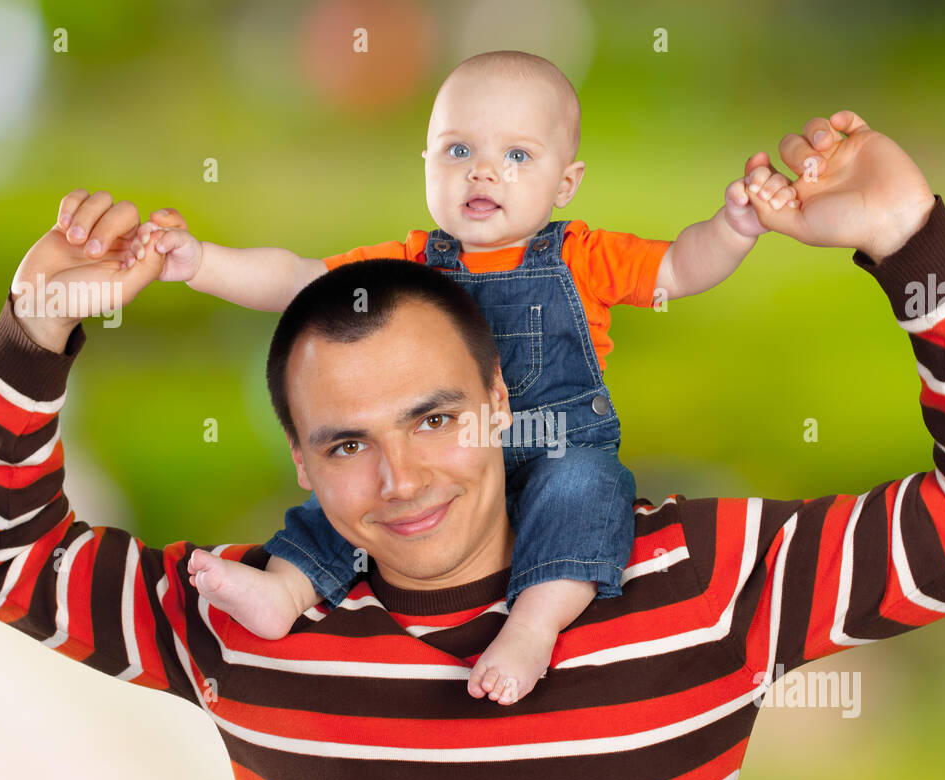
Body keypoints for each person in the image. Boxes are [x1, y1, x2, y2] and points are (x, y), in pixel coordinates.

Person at [0, 110, 945, 780]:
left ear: (499, 400)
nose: (401, 481)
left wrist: (911, 238)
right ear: (297, 460)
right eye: (346, 444)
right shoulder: (247, 610)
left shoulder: (703, 583)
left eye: (435, 418)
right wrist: (34, 330)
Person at [103, 50, 794, 706]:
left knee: (588, 499)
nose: (483, 173)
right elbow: (301, 279)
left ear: (566, 182)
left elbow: (679, 269)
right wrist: (200, 263)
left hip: (554, 444)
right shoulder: (408, 264)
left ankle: (531, 628)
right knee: (358, 488)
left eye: (516, 155)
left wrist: (733, 228)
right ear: (427, 163)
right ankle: (283, 591)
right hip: (434, 454)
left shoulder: (584, 256)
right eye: (459, 151)